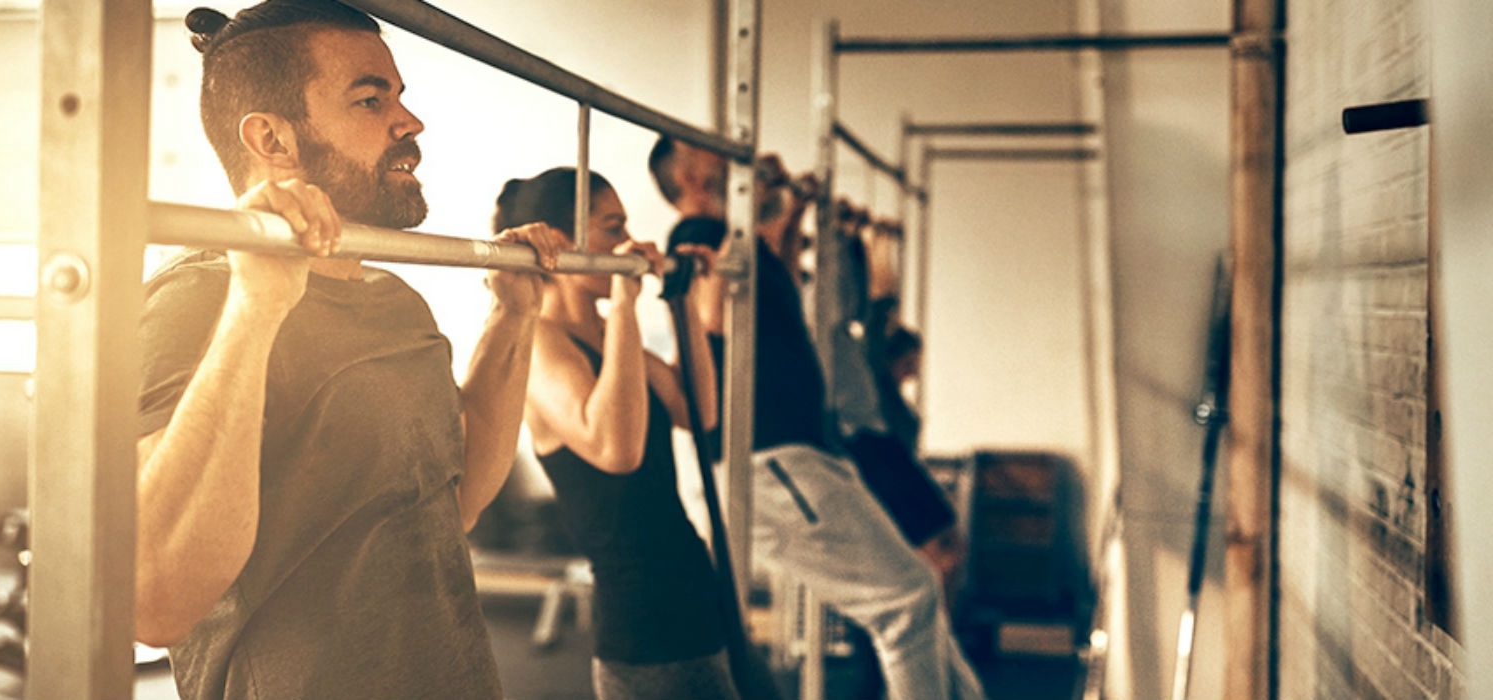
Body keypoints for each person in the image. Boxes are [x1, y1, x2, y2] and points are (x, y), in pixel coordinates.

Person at [134, 3, 567, 698]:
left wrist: (513, 316)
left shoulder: (395, 301)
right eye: (371, 100)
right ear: (272, 138)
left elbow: (458, 502)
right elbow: (155, 601)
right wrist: (256, 306)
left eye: (398, 97)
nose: (410, 122)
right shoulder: (191, 300)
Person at [650, 136, 986, 700]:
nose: (728, 153)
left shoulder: (737, 236)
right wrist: (744, 221)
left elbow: (780, 277)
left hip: (804, 452)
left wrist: (791, 210)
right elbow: (711, 319)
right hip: (770, 460)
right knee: (904, 603)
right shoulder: (697, 231)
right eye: (709, 153)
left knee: (920, 591)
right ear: (686, 177)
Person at [500, 167, 739, 700]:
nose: (629, 241)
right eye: (613, 228)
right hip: (642, 619)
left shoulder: (610, 335)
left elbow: (698, 413)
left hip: (697, 593)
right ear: (562, 242)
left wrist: (682, 299)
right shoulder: (540, 344)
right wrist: (627, 302)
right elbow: (616, 448)